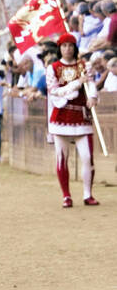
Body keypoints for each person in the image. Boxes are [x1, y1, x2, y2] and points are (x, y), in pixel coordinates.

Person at [45, 32, 99, 207]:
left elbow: (91, 84)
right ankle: (66, 195)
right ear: (59, 48)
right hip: (61, 116)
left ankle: (87, 194)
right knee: (62, 157)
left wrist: (93, 97)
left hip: (81, 115)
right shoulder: (53, 68)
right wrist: (77, 83)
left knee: (87, 157)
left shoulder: (84, 65)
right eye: (64, 46)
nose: (67, 49)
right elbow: (55, 91)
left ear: (74, 47)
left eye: (70, 45)